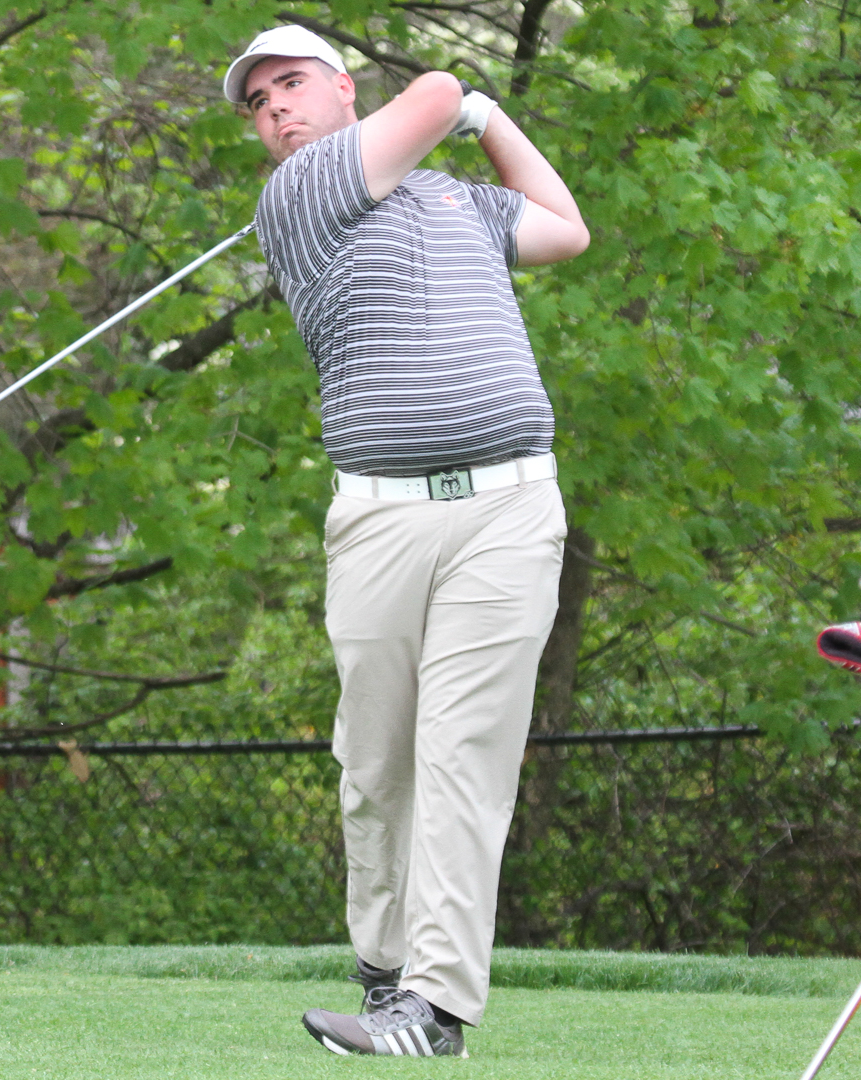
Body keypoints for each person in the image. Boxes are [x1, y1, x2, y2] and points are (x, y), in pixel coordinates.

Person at [222, 25, 590, 1058]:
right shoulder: (296, 196)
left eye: (290, 86)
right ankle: (385, 975)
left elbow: (566, 229)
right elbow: (432, 90)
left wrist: (490, 120)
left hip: (511, 512)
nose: (274, 111)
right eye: (257, 104)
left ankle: (434, 1008)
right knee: (376, 765)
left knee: (467, 761)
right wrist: (459, 106)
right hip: (383, 517)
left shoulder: (455, 203)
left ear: (343, 90)